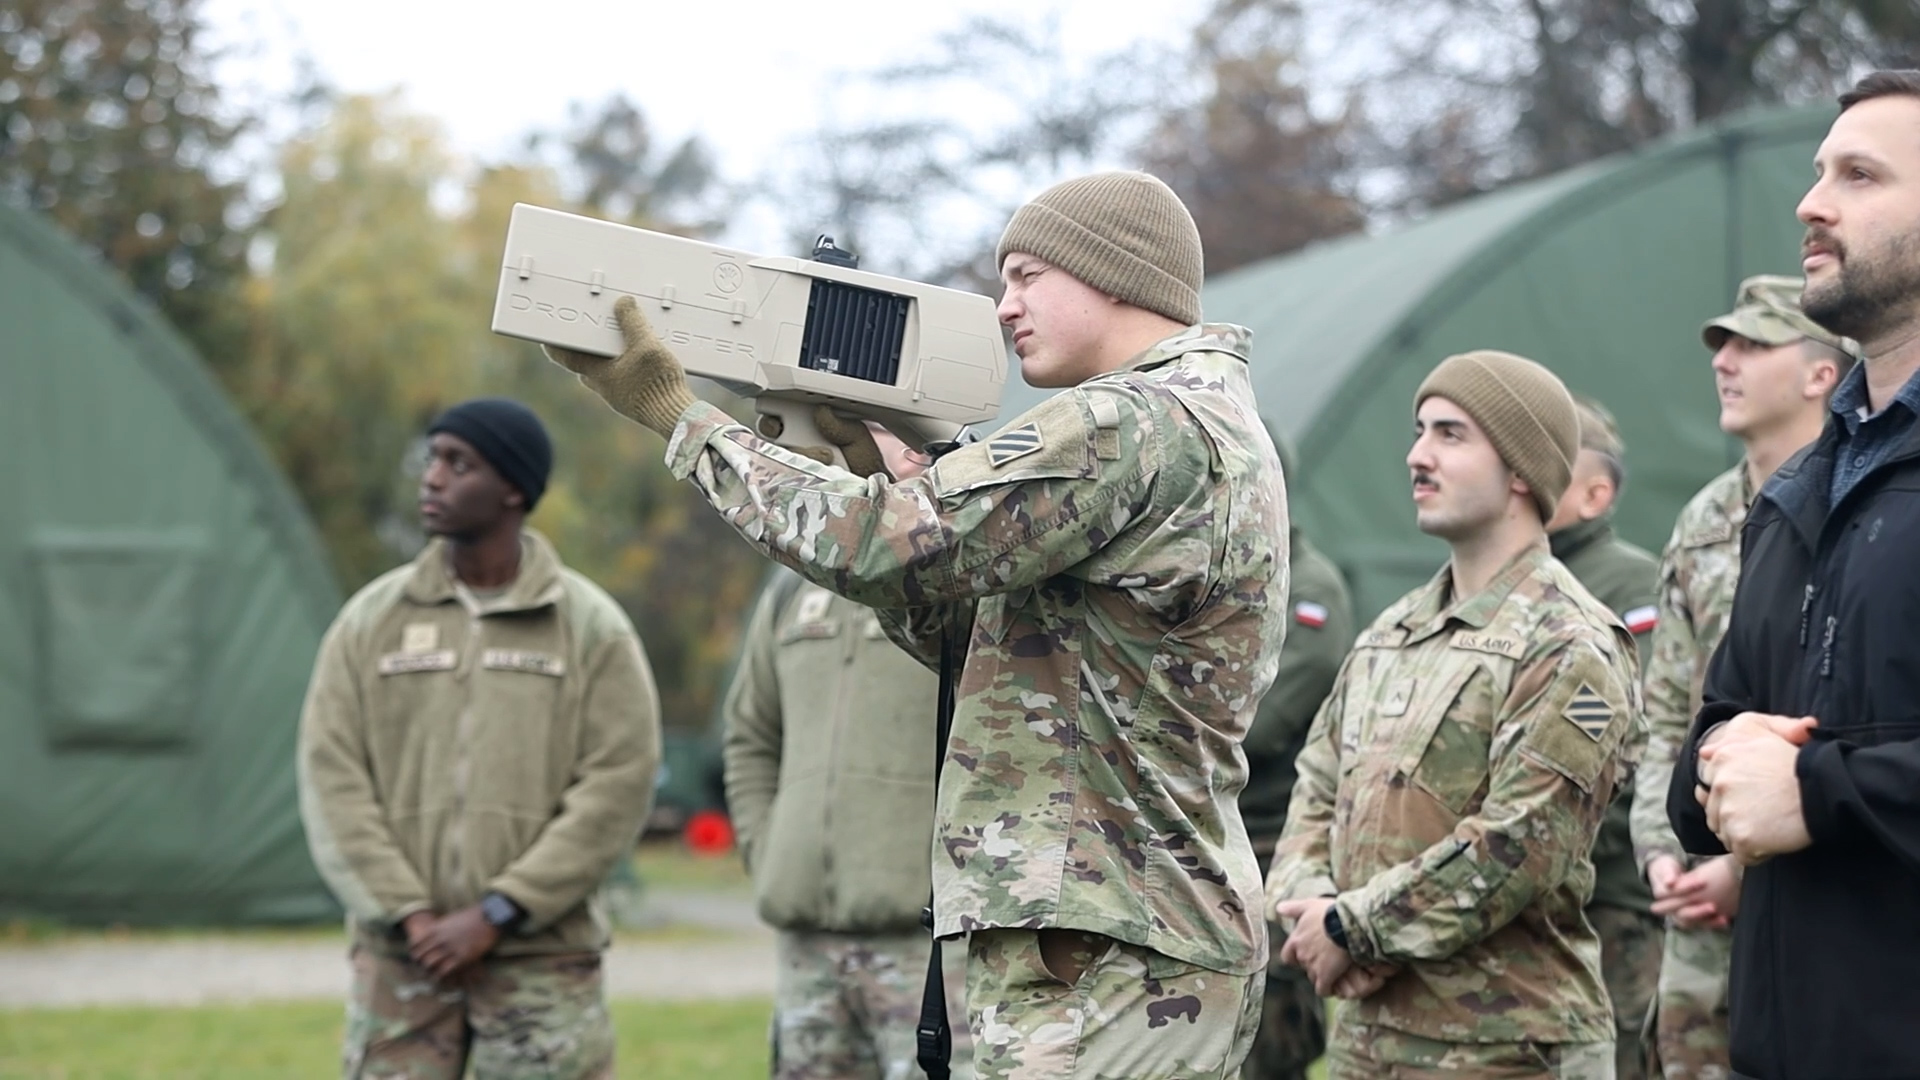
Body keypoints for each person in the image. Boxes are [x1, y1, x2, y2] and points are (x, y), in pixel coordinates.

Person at [549, 171, 1285, 1078]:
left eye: (1026, 276)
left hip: (1112, 947)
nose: (1005, 306)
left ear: (1116, 274)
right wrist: (886, 464)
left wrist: (678, 415)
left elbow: (878, 545)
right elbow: (969, 628)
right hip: (1122, 933)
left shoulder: (1131, 421)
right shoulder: (1192, 420)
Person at [1270, 350, 1640, 1079]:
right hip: (1370, 1040)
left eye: (1450, 434)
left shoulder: (1569, 640)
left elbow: (1521, 844)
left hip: (1505, 1048)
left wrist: (1354, 929)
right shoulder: (1394, 631)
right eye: (1418, 432)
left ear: (1523, 470)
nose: (1416, 456)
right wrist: (1309, 906)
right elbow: (1316, 787)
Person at [1667, 70, 1920, 1080]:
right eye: (1819, 174)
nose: (1812, 204)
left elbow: (1801, 787)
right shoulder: (1800, 490)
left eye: (1860, 175)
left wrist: (1816, 788)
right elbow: (1708, 760)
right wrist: (1727, 762)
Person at [297, 398, 662, 1080]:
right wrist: (407, 912)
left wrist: (501, 910)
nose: (431, 478)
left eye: (457, 463)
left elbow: (618, 781)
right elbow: (332, 776)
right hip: (402, 965)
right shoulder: (369, 623)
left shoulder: (589, 628)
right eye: (432, 459)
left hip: (540, 963)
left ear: (513, 488)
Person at [1628, 276, 1853, 1079]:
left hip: (1812, 891)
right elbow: (1666, 714)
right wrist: (1664, 850)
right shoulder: (1705, 521)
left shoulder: (1860, 505)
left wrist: (1739, 866)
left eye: (1753, 344)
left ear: (1820, 373)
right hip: (1692, 913)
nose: (1724, 361)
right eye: (1723, 345)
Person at [722, 507, 968, 1079]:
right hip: (809, 947)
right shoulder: (794, 581)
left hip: (931, 949)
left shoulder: (961, 574)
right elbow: (750, 735)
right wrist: (770, 854)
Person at [1546, 397, 1662, 1080]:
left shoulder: (1628, 582)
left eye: (1549, 466)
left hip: (1609, 901)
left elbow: (1633, 744)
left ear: (1597, 492)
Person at [1239, 430, 1354, 1080]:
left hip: (1272, 856)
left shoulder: (1310, 591)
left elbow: (1253, 728)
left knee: (1268, 1047)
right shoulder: (1221, 579)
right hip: (1211, 858)